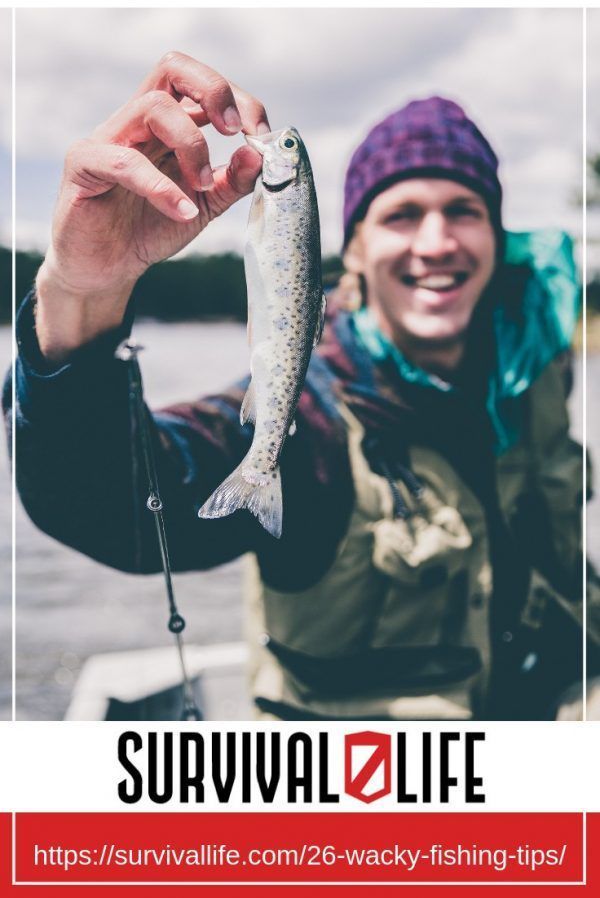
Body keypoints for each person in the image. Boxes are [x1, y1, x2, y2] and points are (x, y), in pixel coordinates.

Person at [7, 52, 595, 720]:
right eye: (402, 214)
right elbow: (107, 505)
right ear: (356, 249)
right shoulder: (309, 420)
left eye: (463, 210)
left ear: (496, 234)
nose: (436, 242)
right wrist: (82, 294)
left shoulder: (533, 379)